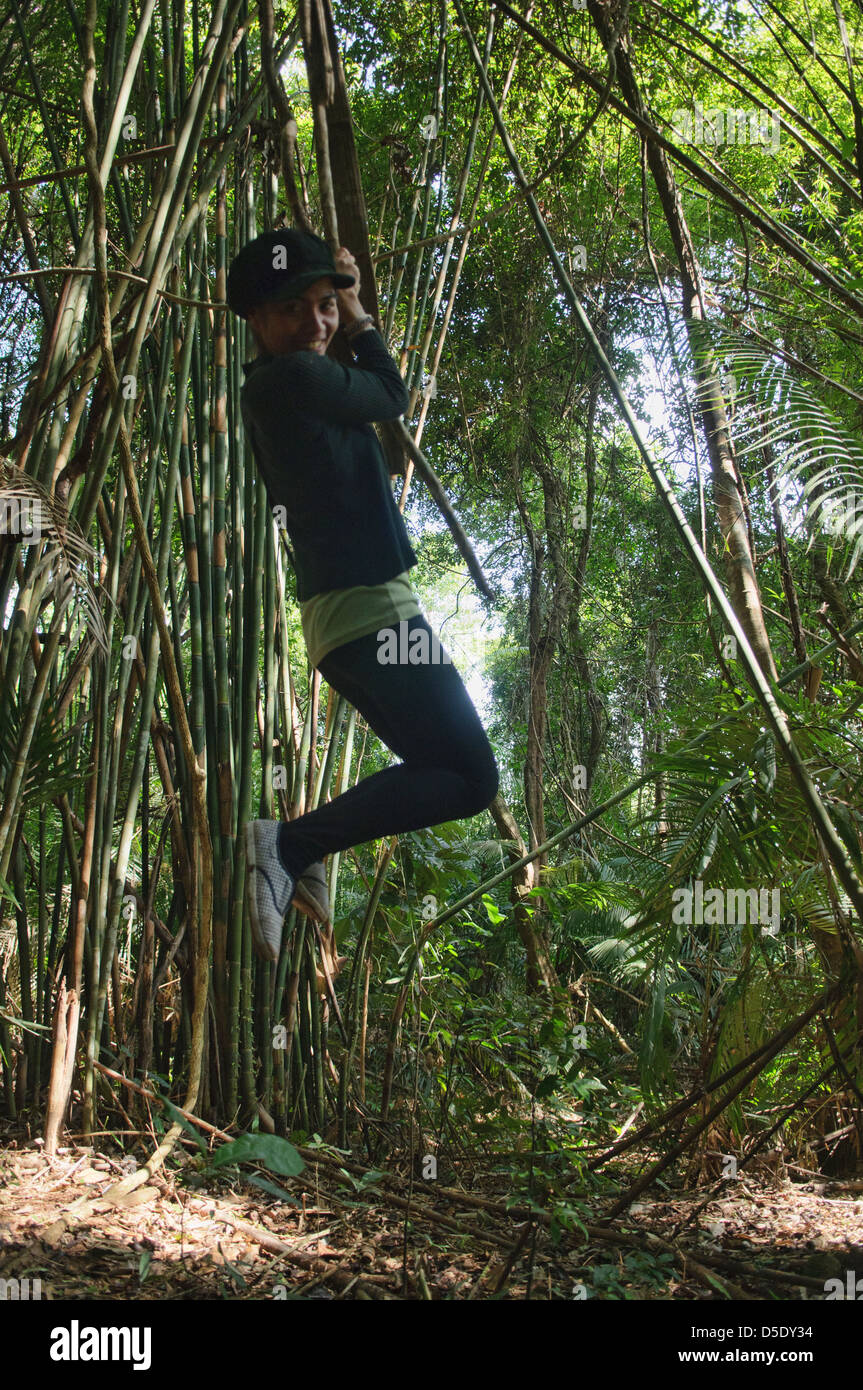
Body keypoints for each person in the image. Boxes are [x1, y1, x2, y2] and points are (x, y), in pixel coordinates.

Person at [226, 228, 499, 964]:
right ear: (255, 317)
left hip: (342, 622)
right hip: (375, 611)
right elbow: (389, 394)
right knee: (471, 779)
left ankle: (304, 848)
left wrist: (340, 304)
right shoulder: (290, 380)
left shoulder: (283, 388)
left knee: (441, 770)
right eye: (294, 308)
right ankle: (287, 843)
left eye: (323, 305)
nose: (314, 322)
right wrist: (359, 313)